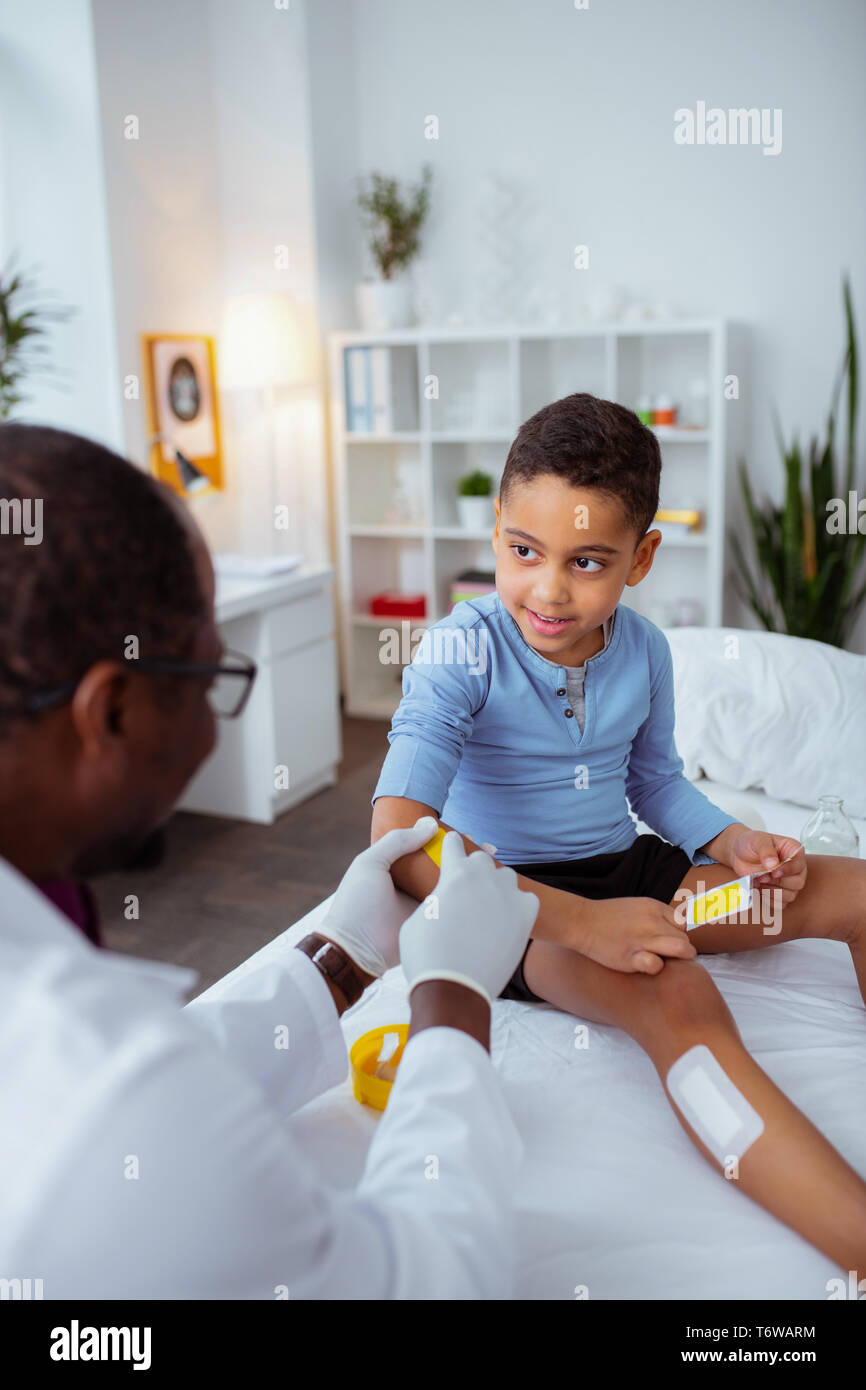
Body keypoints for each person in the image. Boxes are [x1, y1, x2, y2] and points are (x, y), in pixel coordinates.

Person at [0, 423, 539, 1299]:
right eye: (213, 681)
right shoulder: (93, 1094)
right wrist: (453, 1002)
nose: (219, 724)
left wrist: (339, 957)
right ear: (112, 713)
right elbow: (426, 1281)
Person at [371, 392, 866, 1274]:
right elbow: (402, 844)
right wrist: (579, 922)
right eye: (524, 553)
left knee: (856, 889)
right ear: (495, 536)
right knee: (682, 1002)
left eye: (587, 561)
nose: (549, 589)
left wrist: (731, 842)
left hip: (642, 879)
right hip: (519, 913)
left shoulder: (645, 650)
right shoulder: (461, 649)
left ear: (641, 559)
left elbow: (656, 783)